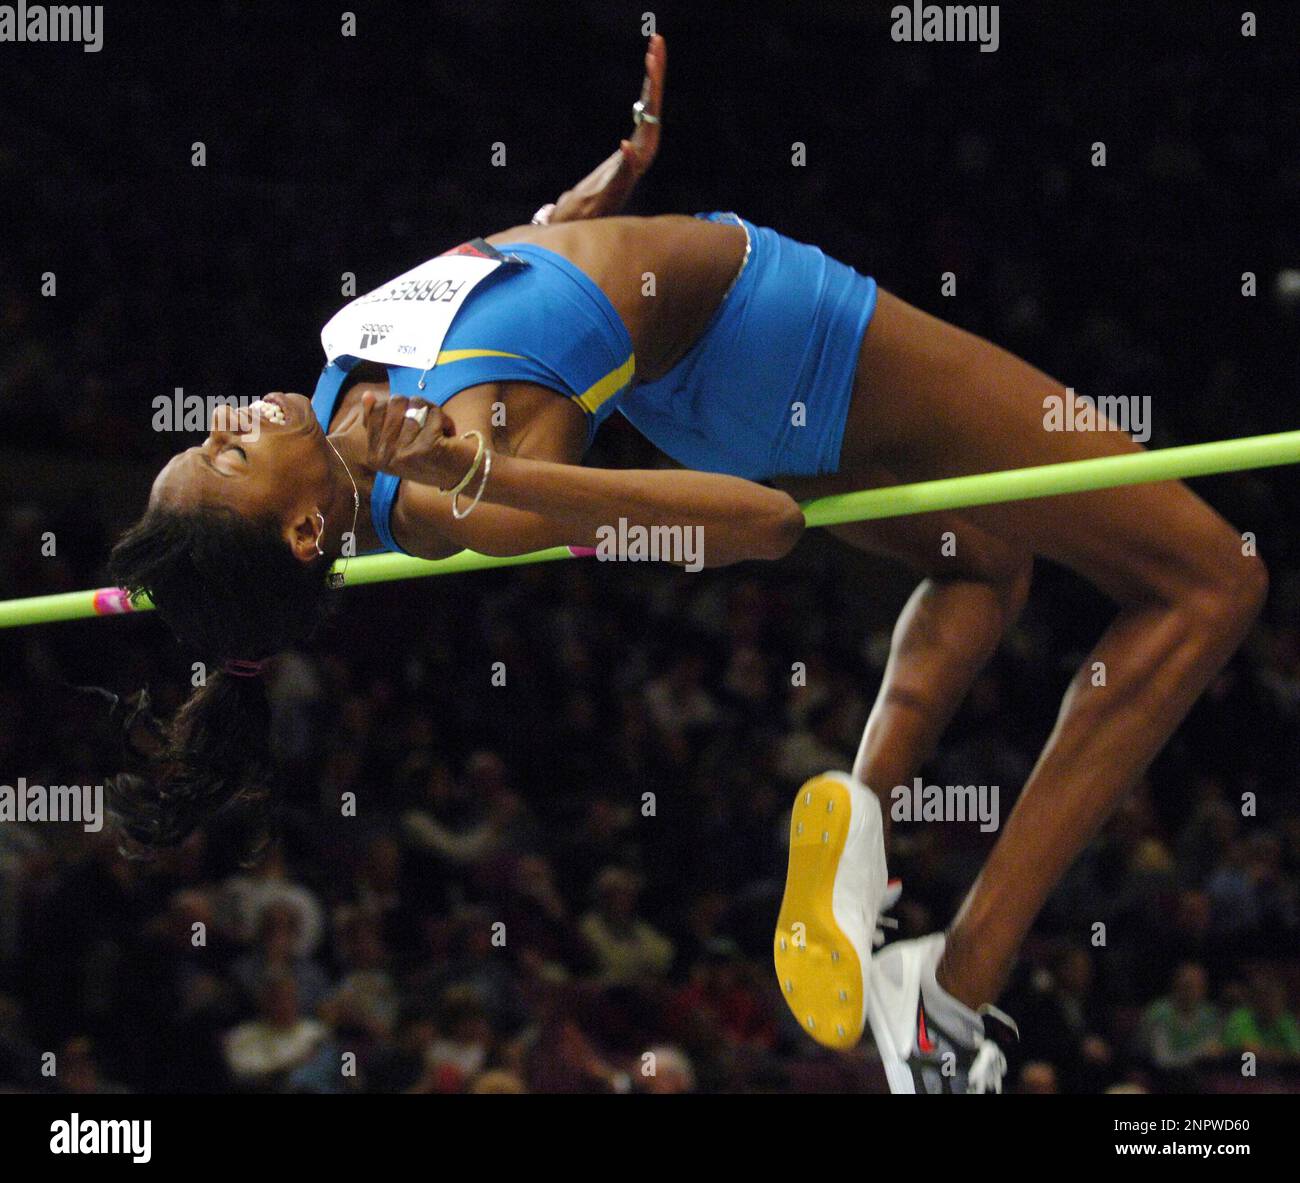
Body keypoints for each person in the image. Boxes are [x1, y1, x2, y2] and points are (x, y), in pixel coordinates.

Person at [105, 33, 1266, 1093]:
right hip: (787, 335)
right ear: (307, 535)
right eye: (221, 458)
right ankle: (955, 991)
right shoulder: (464, 491)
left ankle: (856, 832)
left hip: (691, 377)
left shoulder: (334, 398)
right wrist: (484, 472)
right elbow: (759, 524)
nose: (222, 423)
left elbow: (496, 295)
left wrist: (586, 204)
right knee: (1212, 583)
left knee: (984, 563)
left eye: (200, 436)